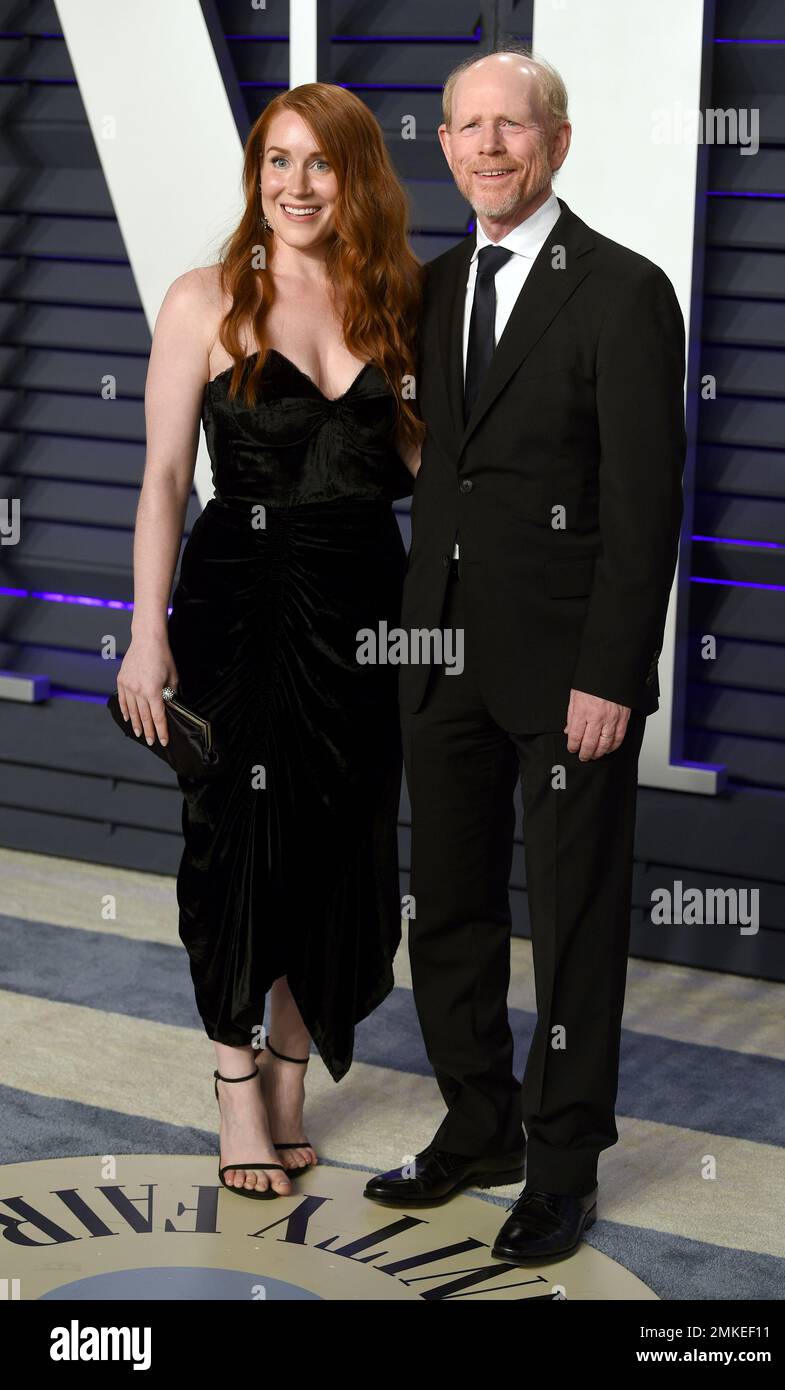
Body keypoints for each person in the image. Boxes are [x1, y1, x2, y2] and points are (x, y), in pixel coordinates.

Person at [364, 48, 686, 1262]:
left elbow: (643, 505)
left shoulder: (620, 290)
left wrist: (611, 671)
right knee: (444, 907)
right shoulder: (429, 289)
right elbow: (433, 463)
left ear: (556, 142)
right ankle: (477, 1121)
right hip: (438, 654)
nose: (486, 146)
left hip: (568, 679)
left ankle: (559, 1166)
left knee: (573, 920)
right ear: (440, 144)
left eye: (512, 126)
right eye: (465, 127)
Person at [116, 83, 422, 1200]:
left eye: (319, 164)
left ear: (357, 178)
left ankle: (290, 1068)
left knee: (339, 849)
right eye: (275, 161)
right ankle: (234, 1083)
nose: (294, 186)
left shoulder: (395, 306)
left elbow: (435, 484)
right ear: (256, 173)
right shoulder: (204, 300)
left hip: (365, 620)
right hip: (234, 608)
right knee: (232, 847)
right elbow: (158, 482)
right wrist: (144, 636)